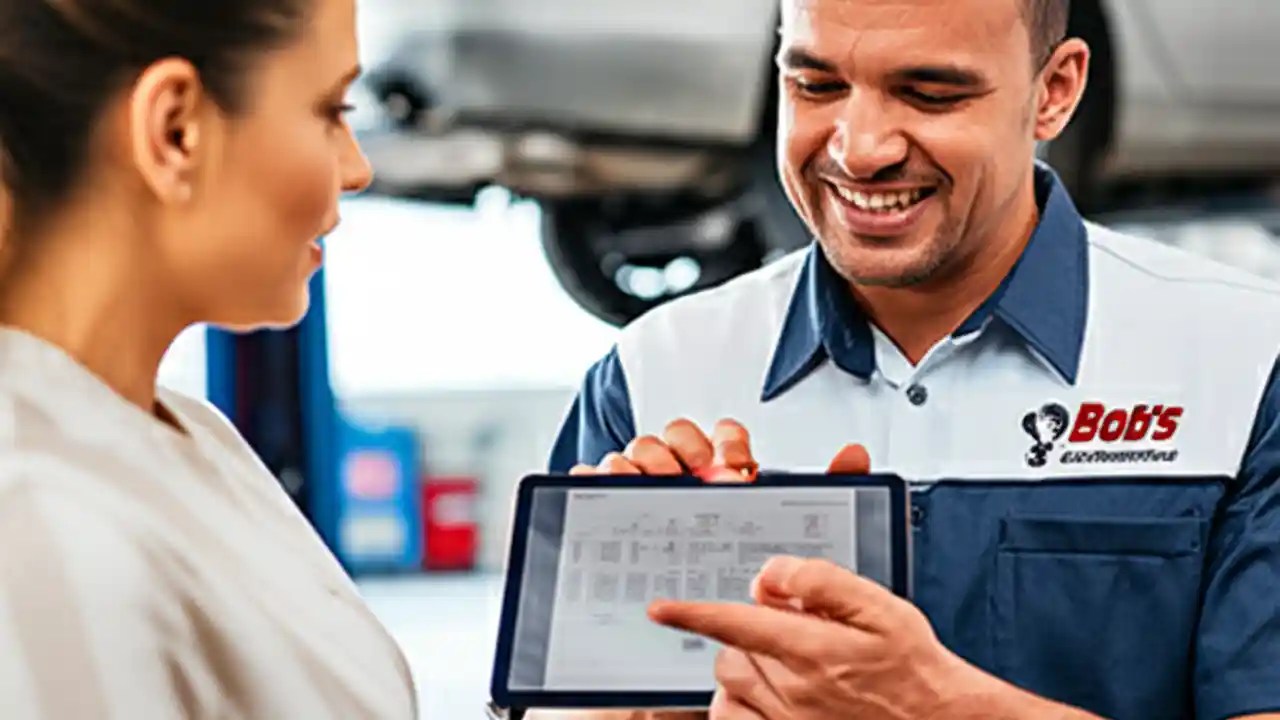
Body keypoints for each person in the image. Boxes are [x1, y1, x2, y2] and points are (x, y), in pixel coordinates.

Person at [546, 0, 1280, 718]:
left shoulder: (1244, 365)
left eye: (929, 94)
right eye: (816, 86)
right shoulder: (653, 375)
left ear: (1054, 91)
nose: (859, 149)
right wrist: (626, 699)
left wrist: (934, 708)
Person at [0, 0, 417, 717]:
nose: (356, 168)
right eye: (329, 110)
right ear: (175, 132)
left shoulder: (190, 433)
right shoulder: (40, 530)